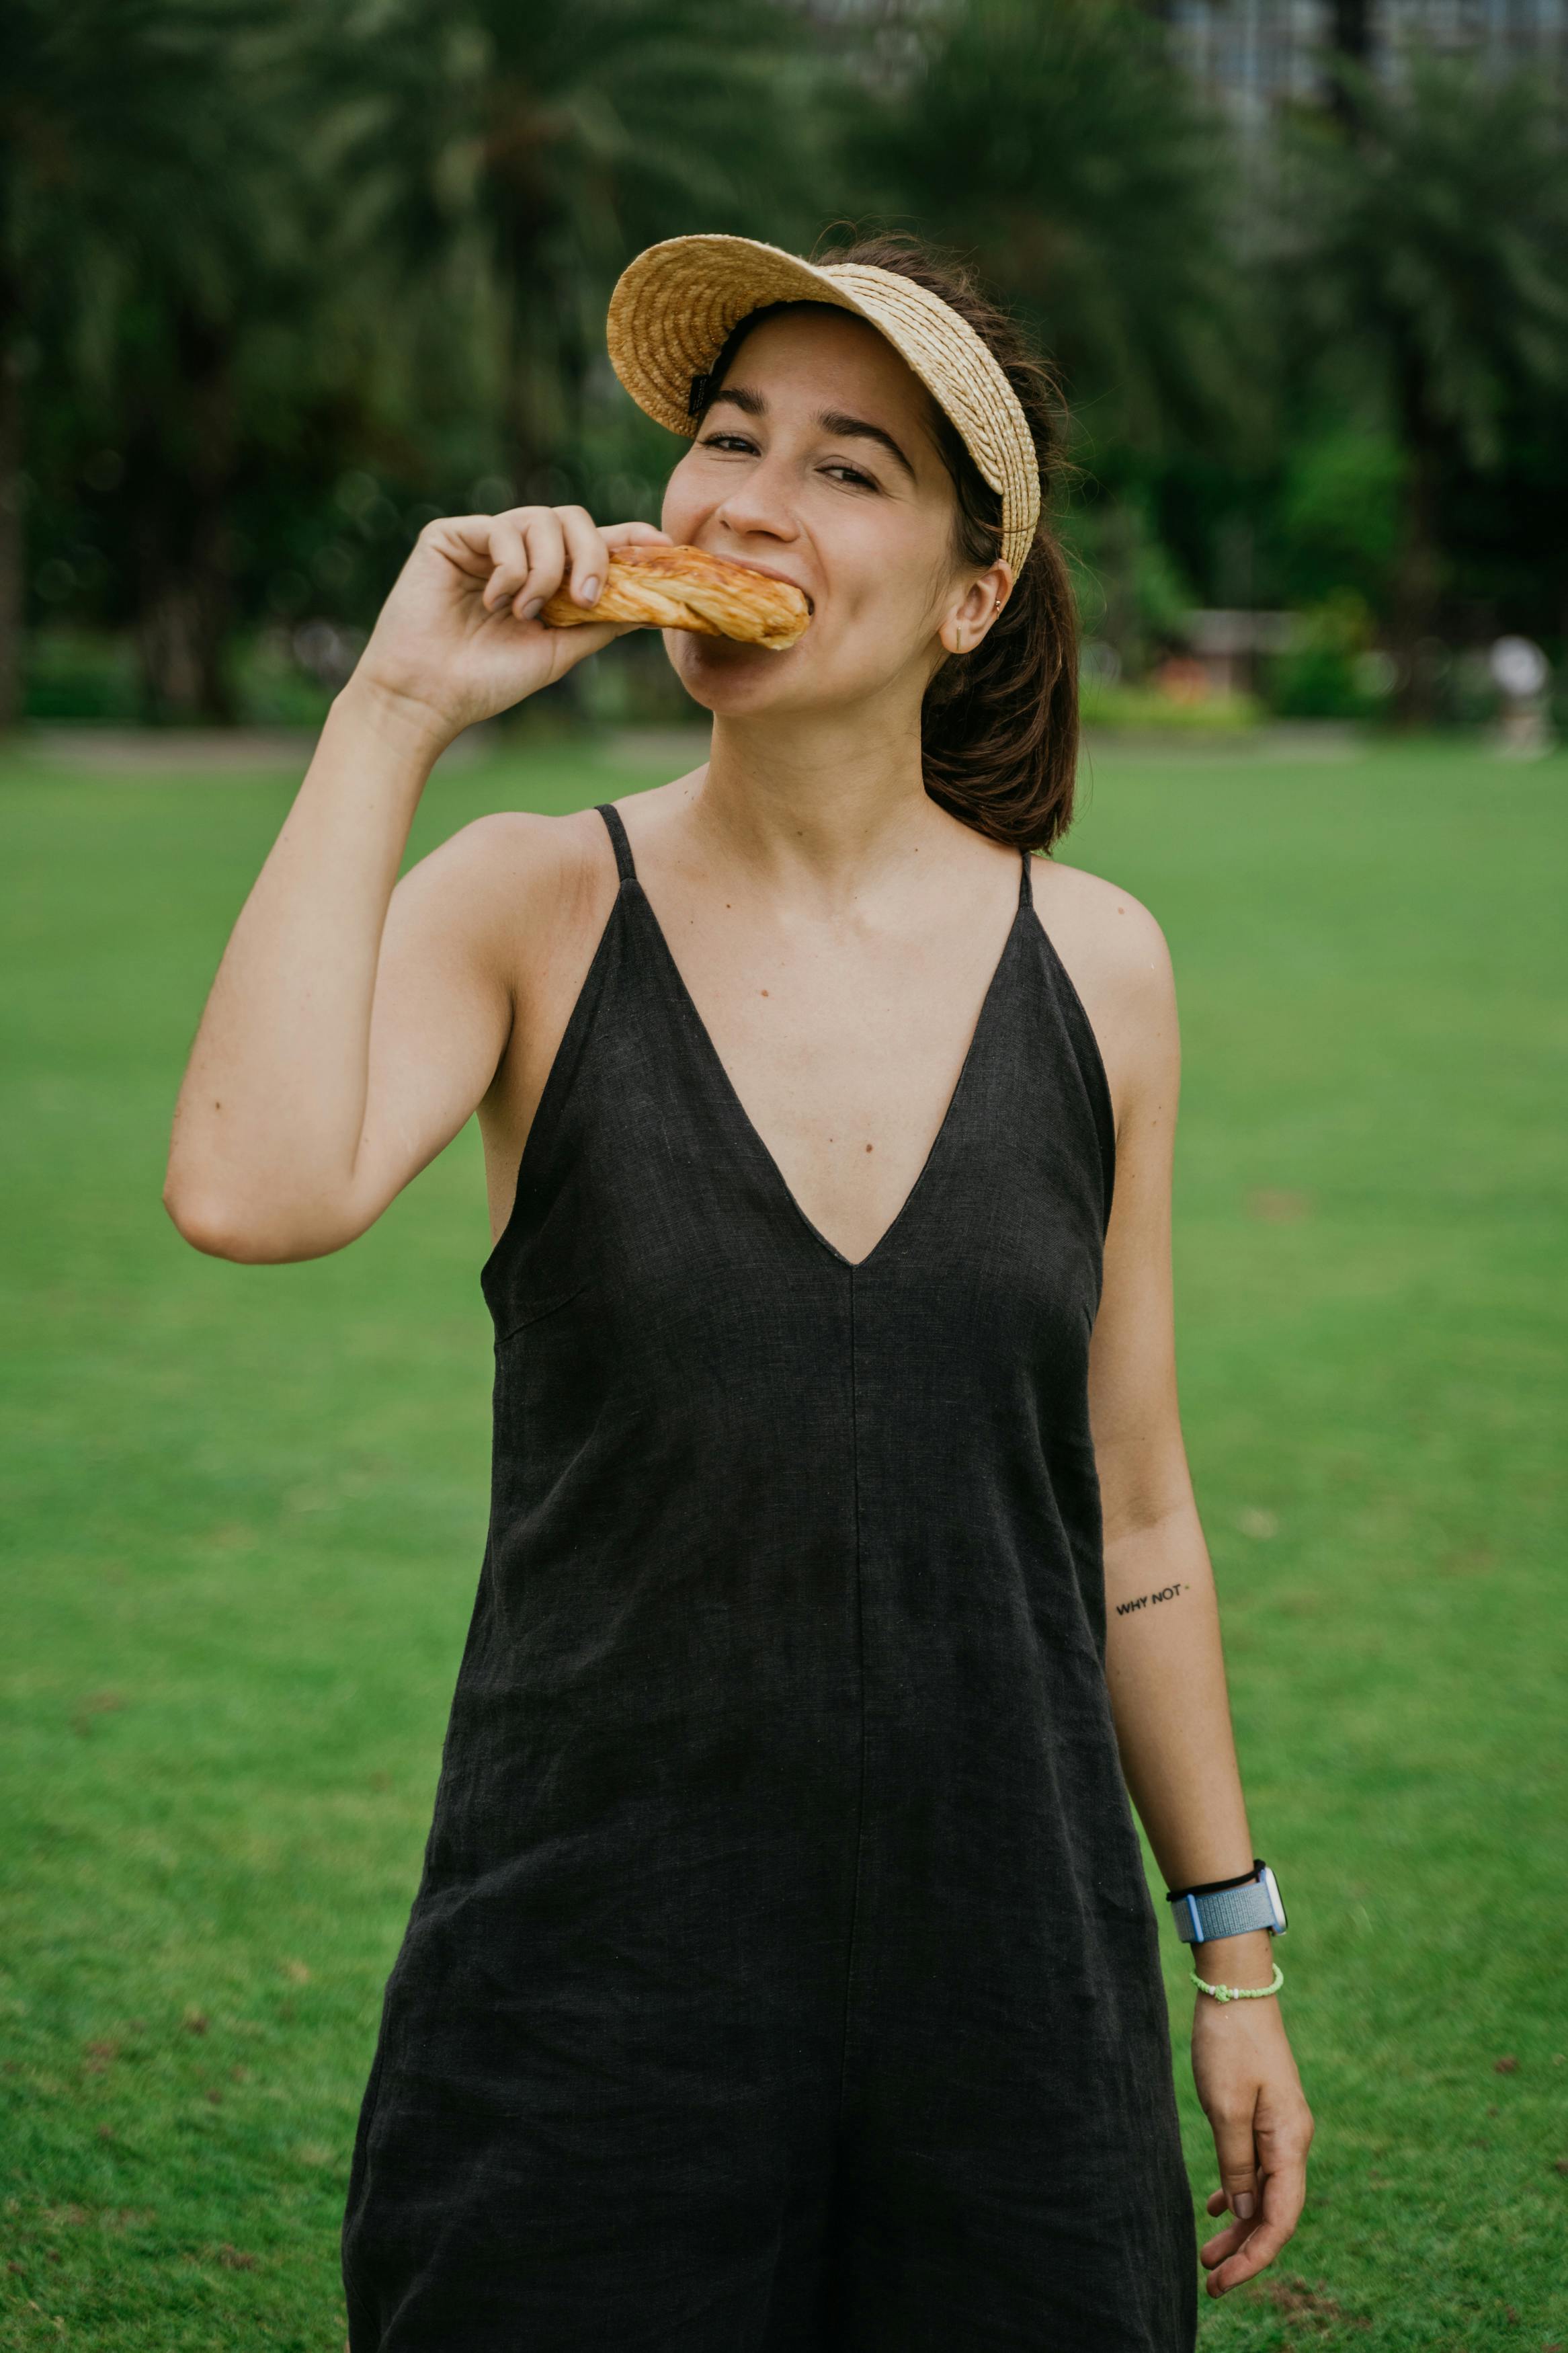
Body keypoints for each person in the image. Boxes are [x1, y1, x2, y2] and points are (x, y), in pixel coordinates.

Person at [163, 231, 1313, 2351]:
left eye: (852, 466)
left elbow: (1134, 1517)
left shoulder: (1106, 968)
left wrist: (1229, 1952)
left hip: (1016, 2019)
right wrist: (397, 701)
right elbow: (247, 1183)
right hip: (587, 2006)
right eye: (725, 437)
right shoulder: (528, 900)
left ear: (973, 597)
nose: (746, 504)